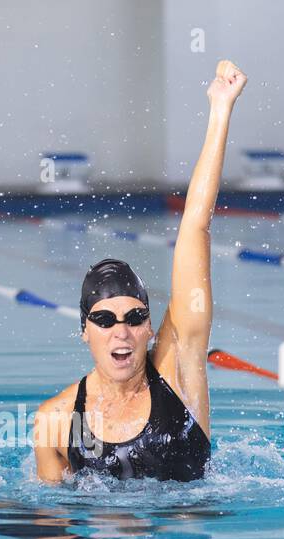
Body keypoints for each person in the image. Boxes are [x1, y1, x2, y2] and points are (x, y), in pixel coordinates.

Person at [34, 59, 247, 483]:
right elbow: (52, 521)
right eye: (104, 319)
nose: (122, 332)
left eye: (134, 318)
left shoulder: (177, 369)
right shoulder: (58, 420)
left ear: (150, 327)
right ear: (84, 329)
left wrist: (220, 110)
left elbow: (195, 225)